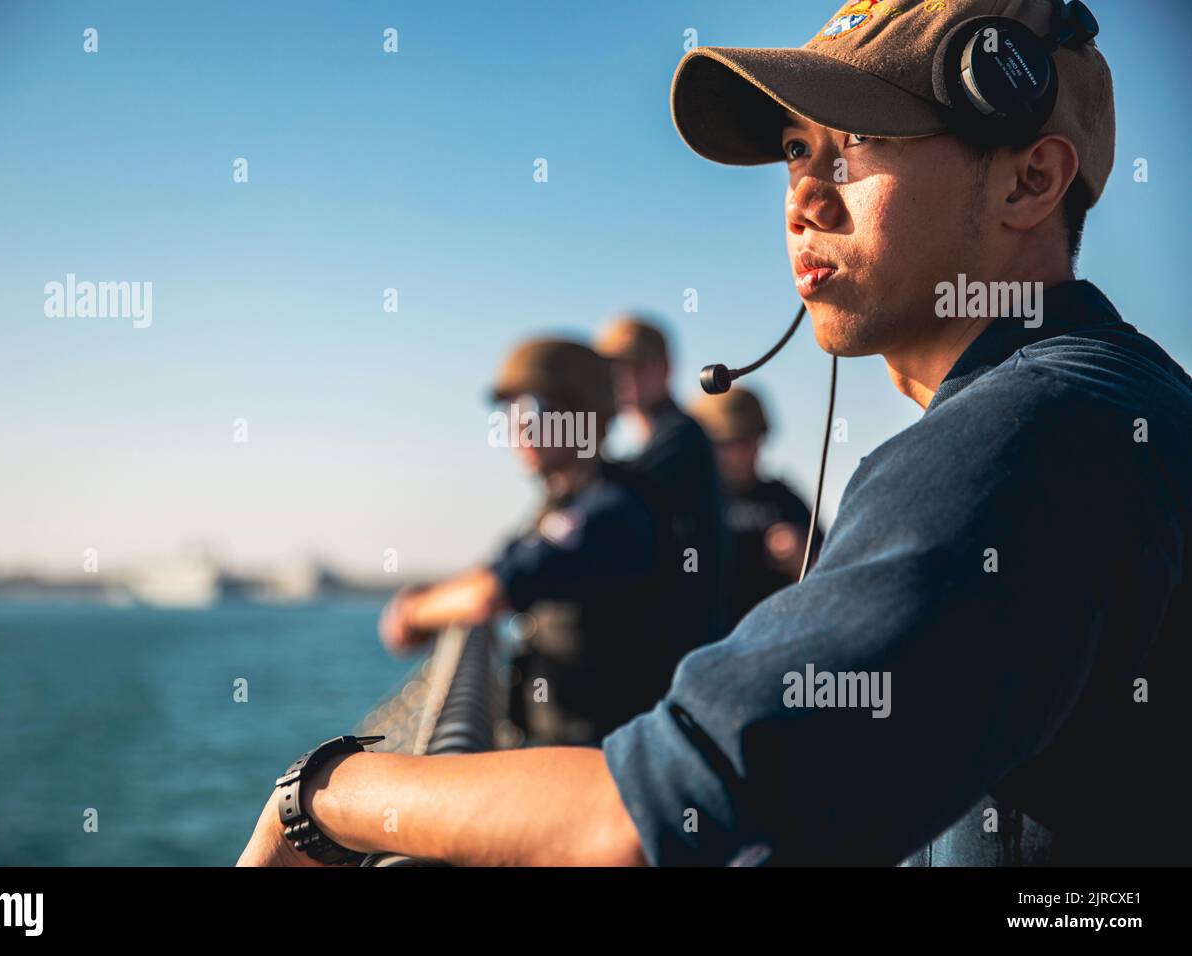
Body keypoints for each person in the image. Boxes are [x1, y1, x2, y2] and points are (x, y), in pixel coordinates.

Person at [241, 0, 1191, 867]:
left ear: (1030, 182)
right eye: (795, 148)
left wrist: (320, 795)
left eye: (858, 141)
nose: (805, 197)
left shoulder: (1027, 436)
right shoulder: (1112, 403)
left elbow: (644, 821)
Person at [376, 338, 683, 747]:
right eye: (510, 411)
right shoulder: (560, 507)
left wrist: (411, 612)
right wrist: (433, 596)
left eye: (533, 408)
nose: (518, 425)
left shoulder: (614, 511)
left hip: (604, 766)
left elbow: (491, 592)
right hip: (562, 754)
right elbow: (498, 566)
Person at [594, 316, 730, 647]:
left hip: (685, 641)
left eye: (638, 367)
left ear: (665, 368)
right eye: (616, 370)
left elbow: (617, 495)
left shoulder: (681, 437)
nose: (625, 379)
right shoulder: (654, 441)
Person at [691, 387, 822, 630]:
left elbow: (831, 587)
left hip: (773, 643)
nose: (745, 452)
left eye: (751, 439)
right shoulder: (688, 503)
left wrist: (802, 560)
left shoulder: (784, 502)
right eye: (730, 443)